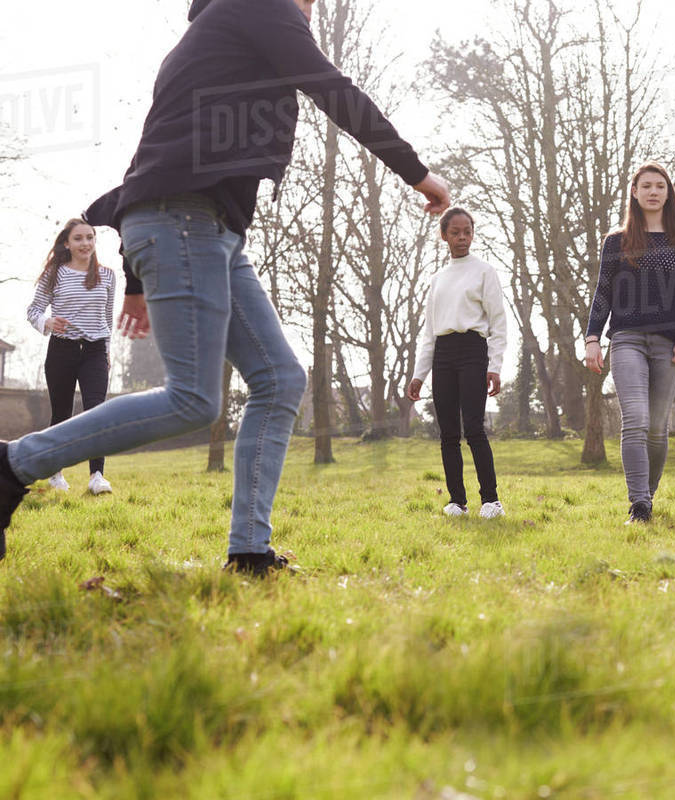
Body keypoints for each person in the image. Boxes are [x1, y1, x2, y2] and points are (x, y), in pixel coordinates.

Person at [0, 0, 451, 572]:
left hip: (202, 228)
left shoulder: (213, 35)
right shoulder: (256, 5)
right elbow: (332, 88)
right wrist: (416, 172)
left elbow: (148, 156)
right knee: (192, 399)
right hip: (183, 223)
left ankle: (248, 550)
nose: (309, 10)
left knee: (280, 378)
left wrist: (135, 277)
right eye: (308, 1)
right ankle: (15, 462)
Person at [584, 162, 675, 524]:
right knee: (635, 418)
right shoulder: (617, 241)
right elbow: (603, 291)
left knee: (657, 426)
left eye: (660, 186)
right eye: (646, 185)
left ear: (668, 193)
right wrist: (592, 338)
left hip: (668, 345)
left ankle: (646, 497)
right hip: (627, 338)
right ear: (634, 192)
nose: (653, 191)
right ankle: (639, 505)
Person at [407, 208, 508, 519]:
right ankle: (457, 502)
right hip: (444, 354)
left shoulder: (484, 272)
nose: (462, 238)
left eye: (467, 231)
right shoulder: (437, 279)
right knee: (448, 433)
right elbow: (428, 332)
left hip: (473, 351)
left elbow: (498, 322)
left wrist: (495, 365)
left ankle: (491, 501)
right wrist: (419, 375)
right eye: (455, 232)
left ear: (472, 234)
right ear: (444, 236)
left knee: (474, 428)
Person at [26, 220, 116, 495]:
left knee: (96, 411)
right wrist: (48, 322)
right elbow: (33, 311)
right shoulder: (55, 274)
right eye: (78, 238)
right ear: (67, 243)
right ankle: (56, 473)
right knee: (62, 414)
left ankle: (97, 476)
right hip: (62, 350)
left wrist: (107, 350)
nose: (85, 243)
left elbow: (108, 316)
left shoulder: (108, 275)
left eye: (90, 238)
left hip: (95, 351)